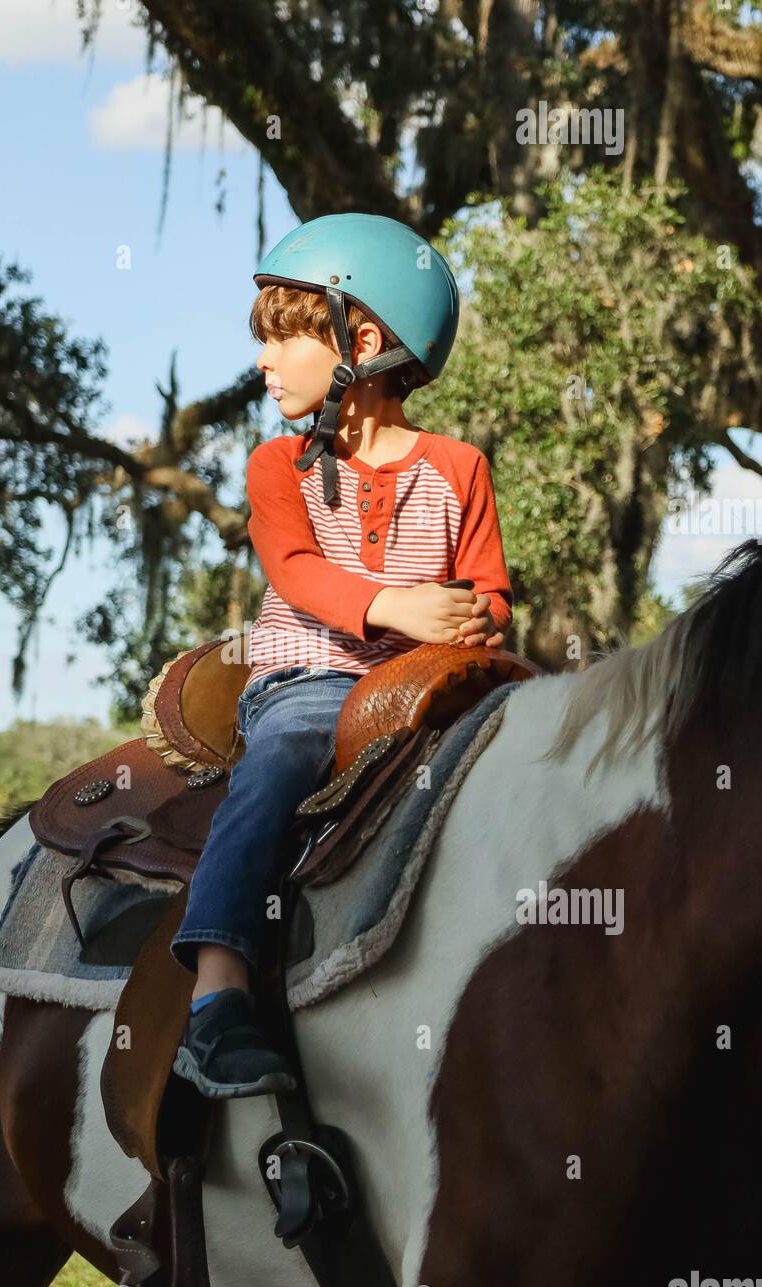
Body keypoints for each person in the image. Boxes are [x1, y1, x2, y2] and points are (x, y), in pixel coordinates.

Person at [170, 213, 514, 1100]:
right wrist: (397, 603)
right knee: (283, 754)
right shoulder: (276, 467)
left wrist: (478, 622)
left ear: (360, 341)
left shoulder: (460, 467)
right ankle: (216, 1000)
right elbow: (295, 570)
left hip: (433, 690)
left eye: (284, 336)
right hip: (314, 679)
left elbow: (490, 591)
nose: (263, 361)